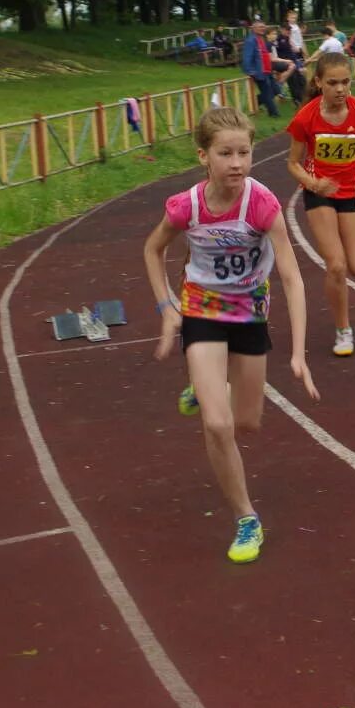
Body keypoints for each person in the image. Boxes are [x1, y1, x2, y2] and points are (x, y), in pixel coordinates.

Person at [144, 106, 319, 564]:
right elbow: (152, 248)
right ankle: (246, 518)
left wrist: (299, 352)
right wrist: (167, 309)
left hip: (250, 314)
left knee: (247, 422)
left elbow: (292, 277)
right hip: (201, 309)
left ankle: (207, 389)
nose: (237, 163)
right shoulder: (187, 207)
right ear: (204, 156)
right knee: (219, 427)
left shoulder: (261, 205)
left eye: (244, 152)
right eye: (226, 154)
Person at [286, 54, 355, 358]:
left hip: (352, 191)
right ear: (319, 83)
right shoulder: (305, 118)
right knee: (337, 264)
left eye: (346, 82)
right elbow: (292, 163)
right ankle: (343, 329)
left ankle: (344, 321)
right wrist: (312, 182)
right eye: (333, 83)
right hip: (319, 192)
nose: (341, 89)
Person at [241, 20, 281, 118]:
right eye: (260, 27)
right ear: (253, 29)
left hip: (267, 70)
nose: (262, 28)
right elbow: (247, 57)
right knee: (267, 92)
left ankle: (256, 101)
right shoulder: (251, 40)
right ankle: (274, 114)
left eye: (263, 27)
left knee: (276, 90)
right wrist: (250, 71)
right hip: (259, 72)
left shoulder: (261, 39)